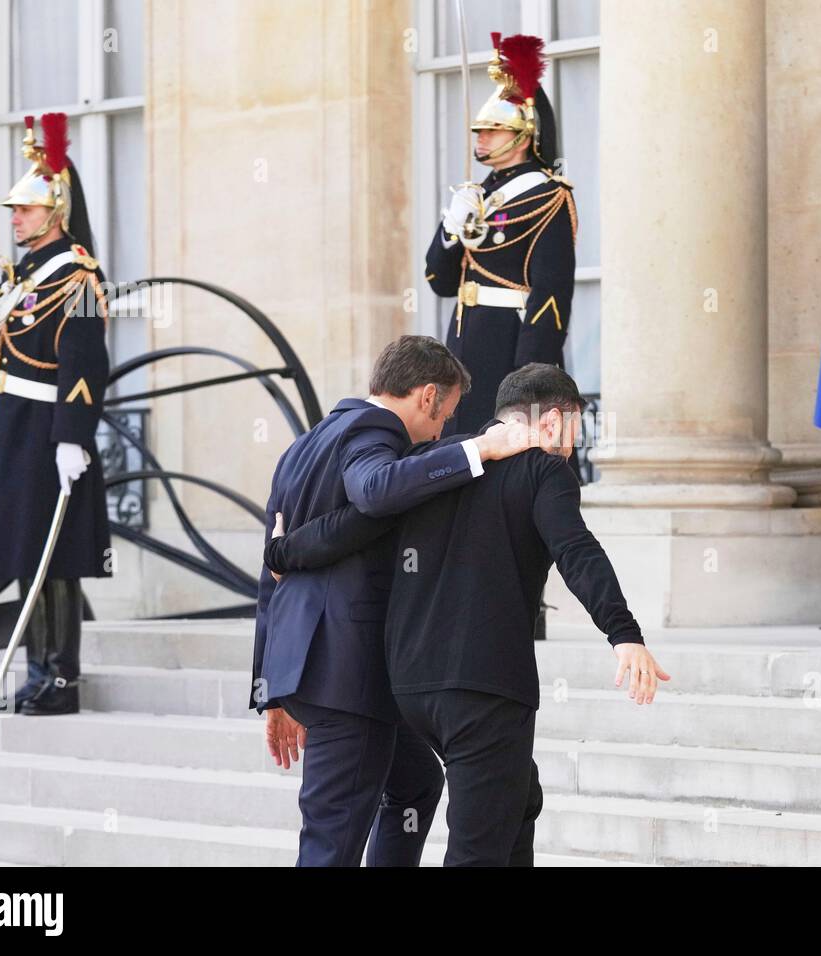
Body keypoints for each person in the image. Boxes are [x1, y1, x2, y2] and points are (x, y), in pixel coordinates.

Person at [266, 363, 669, 866]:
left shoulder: (433, 463)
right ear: (550, 422)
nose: (573, 446)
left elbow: (351, 527)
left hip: (410, 687)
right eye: (573, 429)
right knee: (478, 849)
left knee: (518, 798)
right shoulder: (545, 470)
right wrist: (623, 634)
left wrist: (282, 553)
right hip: (483, 689)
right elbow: (577, 551)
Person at [251, 335, 530, 866]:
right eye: (444, 416)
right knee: (331, 840)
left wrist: (274, 684)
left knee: (416, 783)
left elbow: (272, 572)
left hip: (317, 668)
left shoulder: (304, 443)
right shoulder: (373, 429)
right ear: (427, 396)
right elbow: (376, 489)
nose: (440, 430)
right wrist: (479, 449)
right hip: (346, 672)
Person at [0, 113, 111, 715]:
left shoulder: (77, 276)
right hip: (11, 432)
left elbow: (85, 362)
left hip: (49, 432)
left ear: (55, 213)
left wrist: (72, 437)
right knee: (28, 553)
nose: (14, 218)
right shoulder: (15, 277)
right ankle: (34, 673)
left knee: (57, 558)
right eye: (14, 211)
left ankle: (60, 680)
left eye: (24, 210)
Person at [426, 32, 577, 437]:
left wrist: (527, 383)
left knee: (508, 455)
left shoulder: (548, 195)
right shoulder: (478, 195)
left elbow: (550, 296)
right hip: (464, 338)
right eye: (480, 131)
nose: (481, 139)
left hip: (507, 341)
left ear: (523, 135)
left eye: (491, 130)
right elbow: (439, 282)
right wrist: (451, 230)